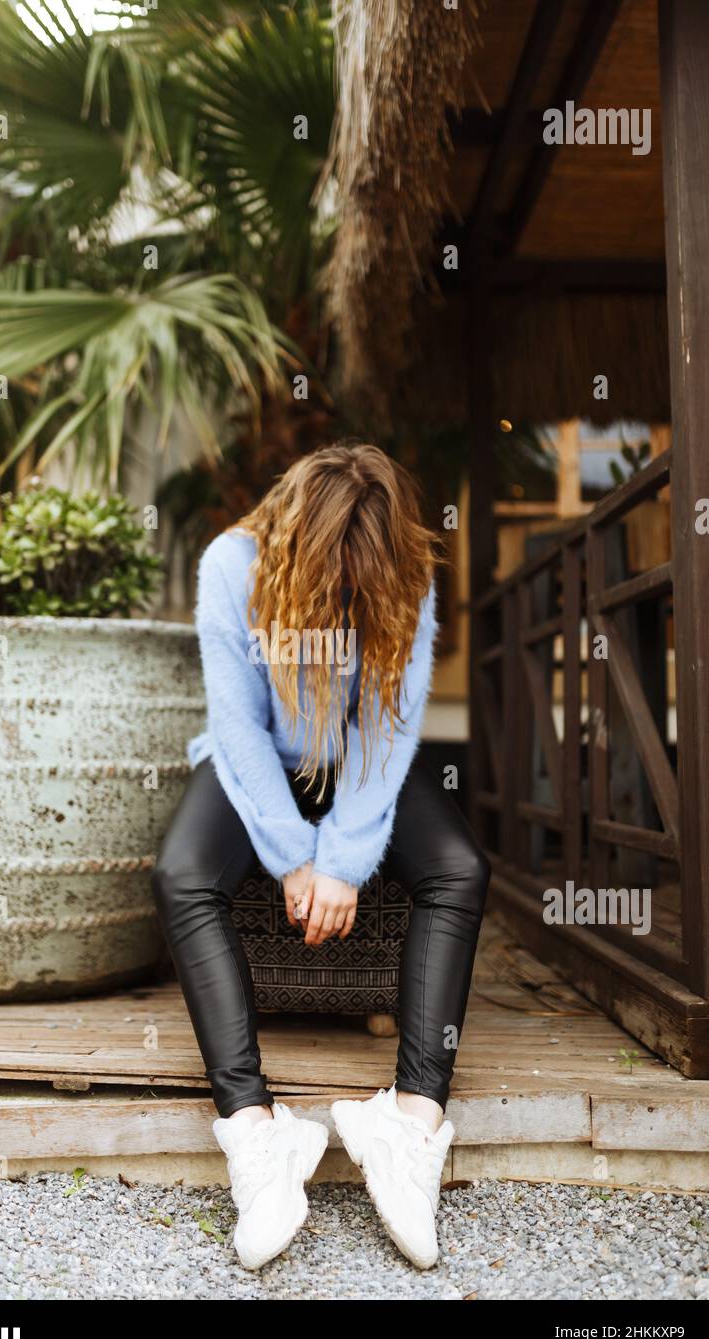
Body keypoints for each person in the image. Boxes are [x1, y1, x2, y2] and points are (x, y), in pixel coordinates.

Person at [152, 442, 490, 1270]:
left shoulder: (407, 576)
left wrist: (341, 861)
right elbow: (236, 726)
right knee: (180, 877)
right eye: (333, 575)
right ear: (294, 543)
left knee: (461, 870)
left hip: (358, 762)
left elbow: (390, 729)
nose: (345, 595)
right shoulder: (232, 566)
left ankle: (407, 1127)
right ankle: (258, 1136)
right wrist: (292, 855)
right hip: (259, 760)